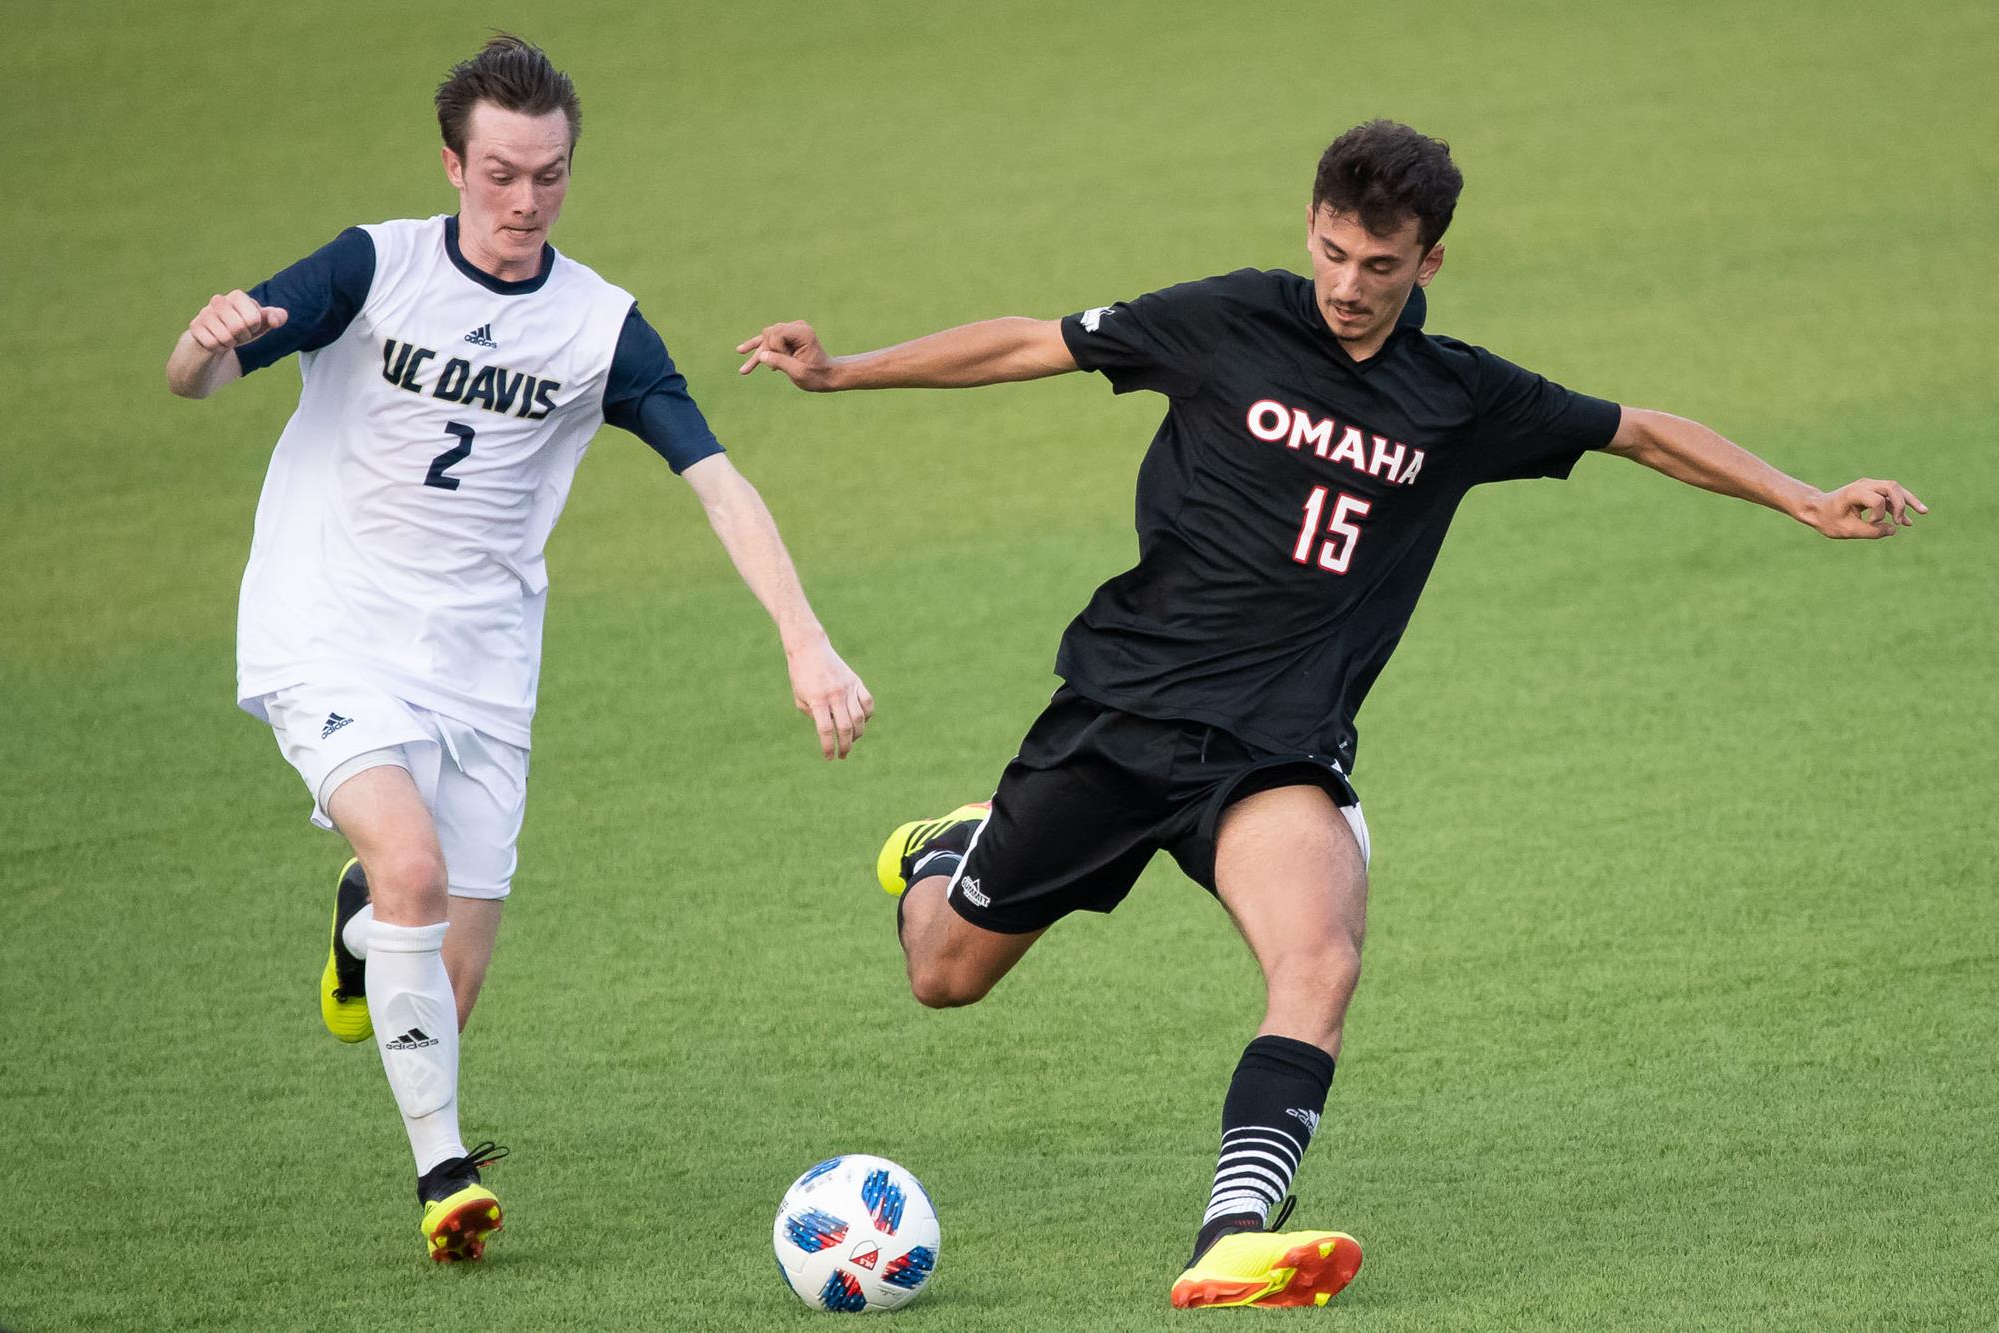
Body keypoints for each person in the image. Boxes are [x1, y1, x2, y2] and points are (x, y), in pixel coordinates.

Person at [736, 119, 1924, 1308]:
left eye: (1379, 265)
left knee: (1319, 958)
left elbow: (1640, 431)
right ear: (1309, 229)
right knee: (943, 975)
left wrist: (1801, 497)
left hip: (1272, 752)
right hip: (1116, 716)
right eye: (1331, 253)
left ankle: (1232, 1233)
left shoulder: (1456, 395)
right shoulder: (1225, 320)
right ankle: (949, 849)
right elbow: (1027, 344)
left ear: (1429, 262)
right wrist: (845, 369)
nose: (1348, 287)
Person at [166, 35, 874, 1263]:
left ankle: (360, 932)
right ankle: (443, 1172)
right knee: (415, 870)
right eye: (499, 174)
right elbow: (201, 376)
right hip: (326, 628)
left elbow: (717, 482)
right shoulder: (370, 268)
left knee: (447, 976)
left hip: (484, 669)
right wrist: (202, 337)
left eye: (547, 176)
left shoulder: (597, 327)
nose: (523, 202)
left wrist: (803, 641)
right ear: (452, 163)